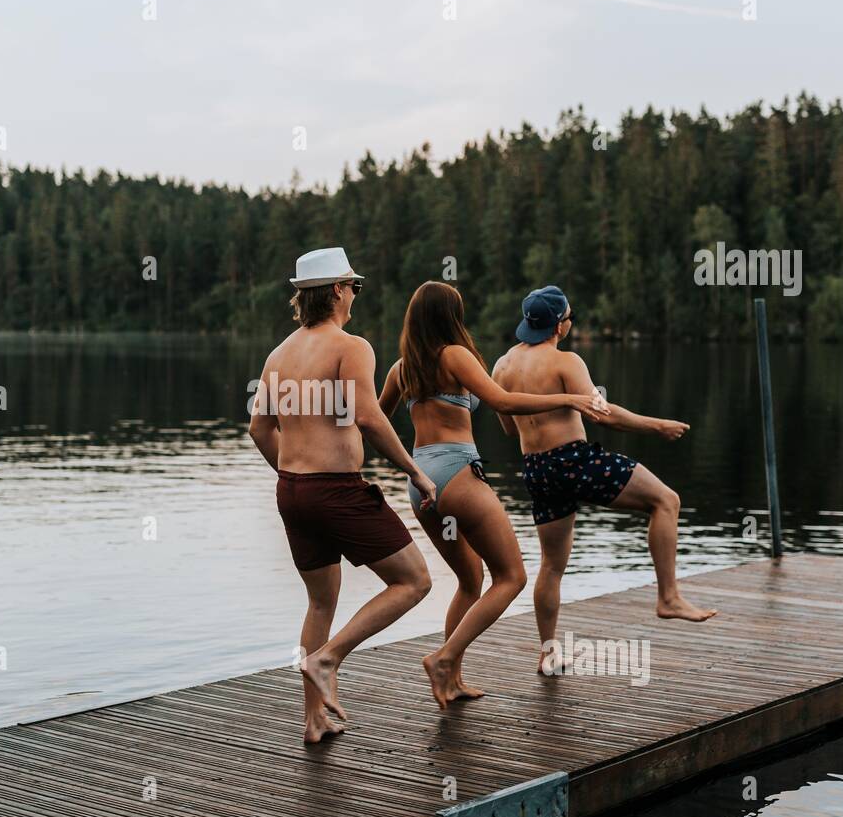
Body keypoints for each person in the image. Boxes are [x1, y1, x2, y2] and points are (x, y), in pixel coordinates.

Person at [378, 281, 609, 707]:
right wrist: (572, 397)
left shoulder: (401, 369)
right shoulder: (455, 355)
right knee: (512, 577)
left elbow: (373, 420)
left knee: (470, 581)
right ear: (450, 317)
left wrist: (405, 466)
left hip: (420, 483)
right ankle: (444, 658)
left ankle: (451, 678)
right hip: (459, 473)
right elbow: (503, 401)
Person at [249, 248, 437, 743]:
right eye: (353, 286)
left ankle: (313, 721)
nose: (355, 294)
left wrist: (294, 477)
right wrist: (415, 472)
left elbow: (258, 428)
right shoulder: (350, 347)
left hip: (292, 491)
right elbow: (370, 416)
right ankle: (330, 658)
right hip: (335, 489)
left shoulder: (278, 354)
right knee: (414, 581)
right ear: (336, 289)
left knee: (319, 603)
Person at [491, 286, 716, 675]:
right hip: (574, 460)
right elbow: (604, 414)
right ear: (560, 326)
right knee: (666, 501)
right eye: (569, 317)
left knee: (551, 565)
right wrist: (657, 426)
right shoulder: (565, 361)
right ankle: (669, 597)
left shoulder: (502, 367)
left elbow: (509, 428)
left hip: (537, 469)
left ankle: (548, 654)